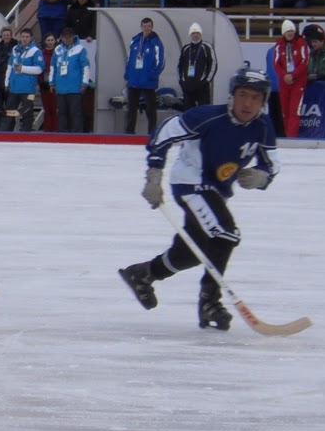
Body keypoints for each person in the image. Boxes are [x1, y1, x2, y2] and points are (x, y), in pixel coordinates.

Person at [118, 68, 277, 331]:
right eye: (243, 95)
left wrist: (262, 176)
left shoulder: (262, 127)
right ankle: (210, 301)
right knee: (226, 234)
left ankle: (144, 273)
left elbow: (272, 163)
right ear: (232, 95)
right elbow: (163, 134)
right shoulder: (207, 118)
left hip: (216, 192)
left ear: (263, 101)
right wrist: (154, 175)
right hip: (190, 184)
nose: (248, 103)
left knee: (192, 252)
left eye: (255, 98)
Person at [124, 17, 164, 135]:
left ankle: (152, 132)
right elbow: (129, 58)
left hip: (148, 81)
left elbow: (160, 62)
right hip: (134, 79)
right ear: (141, 27)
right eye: (144, 26)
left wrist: (152, 75)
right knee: (131, 108)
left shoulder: (156, 42)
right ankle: (129, 132)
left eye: (149, 26)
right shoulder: (135, 40)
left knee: (150, 109)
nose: (146, 28)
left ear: (152, 27)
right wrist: (127, 73)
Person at [48, 27, 92, 133]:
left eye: (69, 37)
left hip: (74, 88)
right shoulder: (58, 50)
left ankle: (77, 134)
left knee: (75, 113)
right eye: (65, 37)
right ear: (61, 38)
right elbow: (53, 67)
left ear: (73, 37)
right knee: (62, 113)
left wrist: (84, 83)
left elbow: (85, 67)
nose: (67, 39)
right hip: (61, 88)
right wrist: (51, 82)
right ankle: (63, 134)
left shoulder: (80, 49)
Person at [271, 19, 308, 137]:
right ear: (283, 33)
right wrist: (284, 75)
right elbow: (276, 63)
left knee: (294, 111)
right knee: (285, 112)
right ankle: (287, 136)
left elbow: (304, 61)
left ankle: (291, 137)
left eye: (292, 31)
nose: (290, 33)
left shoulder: (301, 43)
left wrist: (293, 75)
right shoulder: (279, 45)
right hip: (284, 83)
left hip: (297, 82)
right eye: (288, 31)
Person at [2, 27, 43, 132]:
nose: (25, 39)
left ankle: (26, 132)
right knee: (9, 112)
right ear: (20, 37)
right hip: (14, 87)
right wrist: (6, 82)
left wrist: (23, 69)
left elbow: (39, 69)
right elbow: (10, 66)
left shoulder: (35, 51)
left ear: (31, 38)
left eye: (27, 37)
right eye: (23, 36)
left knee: (27, 112)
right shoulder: (15, 49)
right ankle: (6, 133)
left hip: (28, 89)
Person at [178, 22, 217, 109]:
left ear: (201, 34)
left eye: (197, 33)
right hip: (188, 87)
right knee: (188, 112)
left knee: (203, 112)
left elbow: (213, 65)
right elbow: (179, 66)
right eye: (193, 33)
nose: (195, 35)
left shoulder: (207, 47)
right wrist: (182, 82)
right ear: (190, 35)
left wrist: (205, 81)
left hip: (202, 87)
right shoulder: (186, 48)